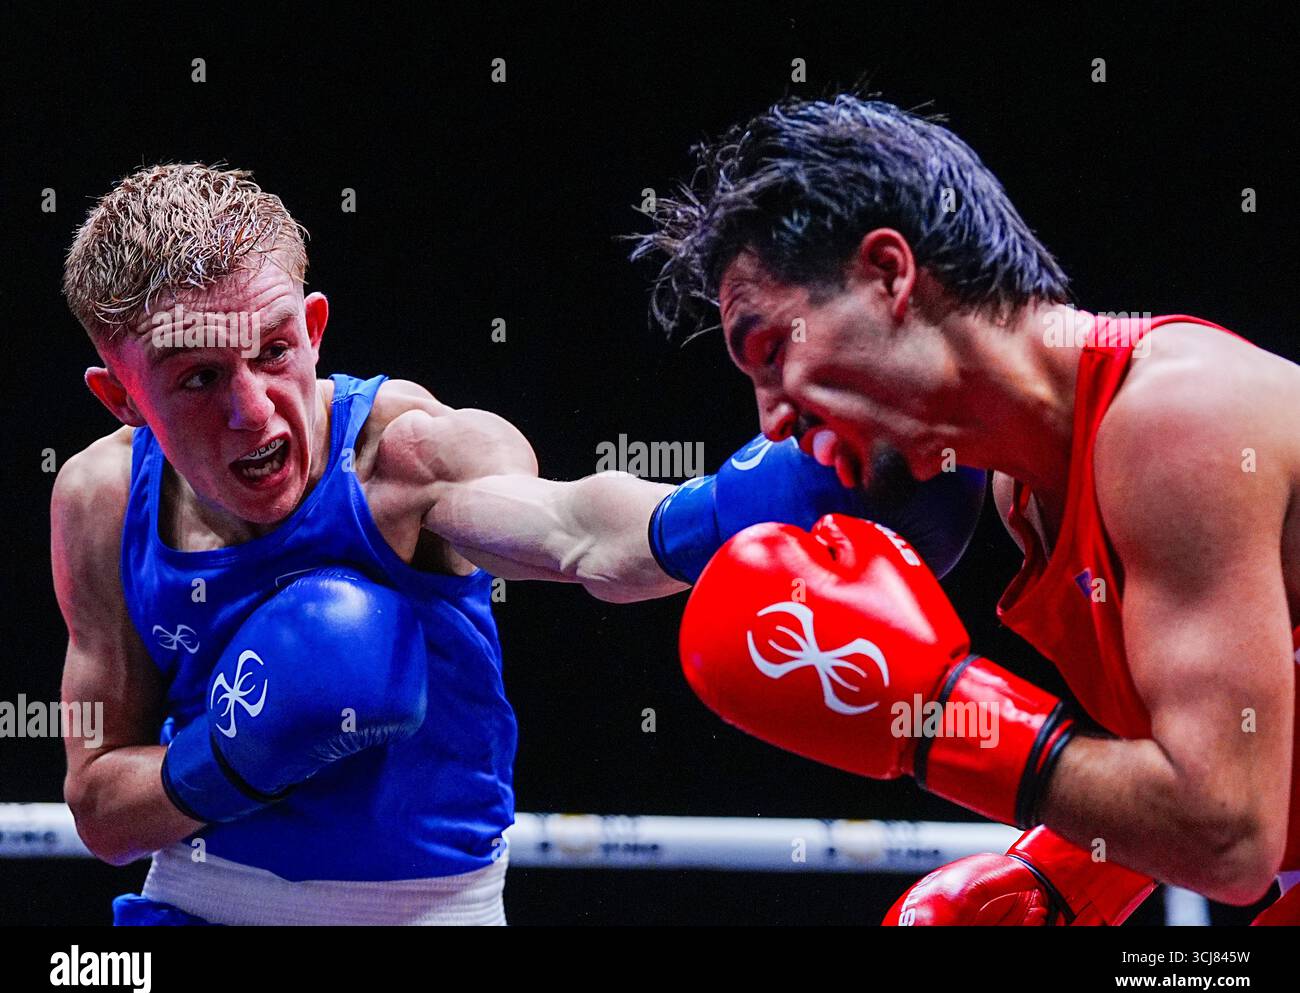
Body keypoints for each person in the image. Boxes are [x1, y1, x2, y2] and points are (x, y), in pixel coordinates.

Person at [54, 163, 982, 924]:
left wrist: (750, 503)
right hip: (194, 906)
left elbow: (581, 531)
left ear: (315, 326)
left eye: (274, 351)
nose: (253, 409)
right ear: (122, 399)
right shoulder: (100, 502)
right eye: (199, 378)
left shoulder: (403, 456)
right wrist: (228, 759)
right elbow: (99, 809)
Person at [636, 93, 1300, 924]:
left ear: (889, 274)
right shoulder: (1029, 493)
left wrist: (941, 718)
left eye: (772, 351)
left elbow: (1230, 836)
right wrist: (1057, 880)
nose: (771, 418)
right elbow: (1225, 757)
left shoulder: (1176, 421)